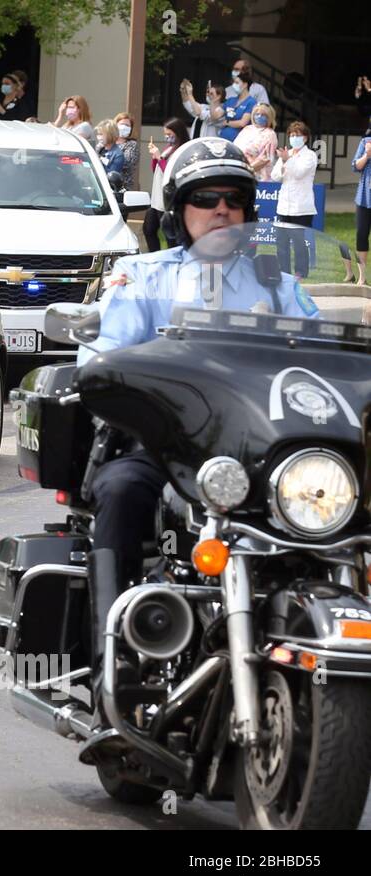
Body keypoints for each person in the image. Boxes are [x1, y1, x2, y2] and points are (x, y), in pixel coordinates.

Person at [80, 138, 318, 684]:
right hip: (167, 446)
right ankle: (110, 659)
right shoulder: (145, 278)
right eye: (205, 198)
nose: (221, 210)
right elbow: (100, 356)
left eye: (233, 199)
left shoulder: (277, 286)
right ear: (178, 210)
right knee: (118, 490)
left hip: (262, 453)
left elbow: (325, 357)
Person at [274, 120, 319, 279]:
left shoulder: (310, 155)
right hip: (284, 206)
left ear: (305, 138)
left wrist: (287, 160)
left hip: (301, 206)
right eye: (292, 135)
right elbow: (275, 176)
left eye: (297, 135)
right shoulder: (287, 153)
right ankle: (284, 272)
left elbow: (299, 173)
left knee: (299, 243)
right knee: (282, 243)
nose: (294, 138)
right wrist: (284, 161)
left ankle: (301, 272)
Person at [143, 118, 189, 251]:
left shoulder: (181, 150)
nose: (167, 137)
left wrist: (159, 157)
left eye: (170, 135)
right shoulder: (169, 148)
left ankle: (171, 258)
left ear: (178, 133)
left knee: (170, 235)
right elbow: (157, 169)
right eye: (166, 135)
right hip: (157, 196)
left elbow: (171, 172)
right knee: (149, 229)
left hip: (168, 199)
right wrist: (155, 158)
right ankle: (155, 255)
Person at [235, 102, 277, 180]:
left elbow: (266, 159)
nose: (259, 116)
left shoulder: (270, 134)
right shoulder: (247, 129)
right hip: (240, 170)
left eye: (263, 115)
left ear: (269, 117)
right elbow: (235, 147)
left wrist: (248, 169)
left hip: (257, 176)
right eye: (257, 114)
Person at [353, 117, 371, 286]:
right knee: (361, 234)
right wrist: (367, 155)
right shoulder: (366, 141)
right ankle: (362, 276)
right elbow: (356, 166)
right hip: (365, 198)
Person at [221, 74, 257, 142]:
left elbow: (242, 123)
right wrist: (214, 100)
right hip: (223, 139)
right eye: (234, 83)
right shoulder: (231, 100)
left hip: (239, 141)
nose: (234, 85)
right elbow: (216, 115)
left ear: (245, 85)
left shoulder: (251, 102)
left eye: (237, 83)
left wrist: (227, 122)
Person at [111, 111, 140, 190]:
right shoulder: (108, 143)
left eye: (127, 125)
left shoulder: (132, 145)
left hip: (123, 187)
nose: (124, 127)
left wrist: (106, 160)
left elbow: (126, 163)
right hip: (106, 186)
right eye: (121, 124)